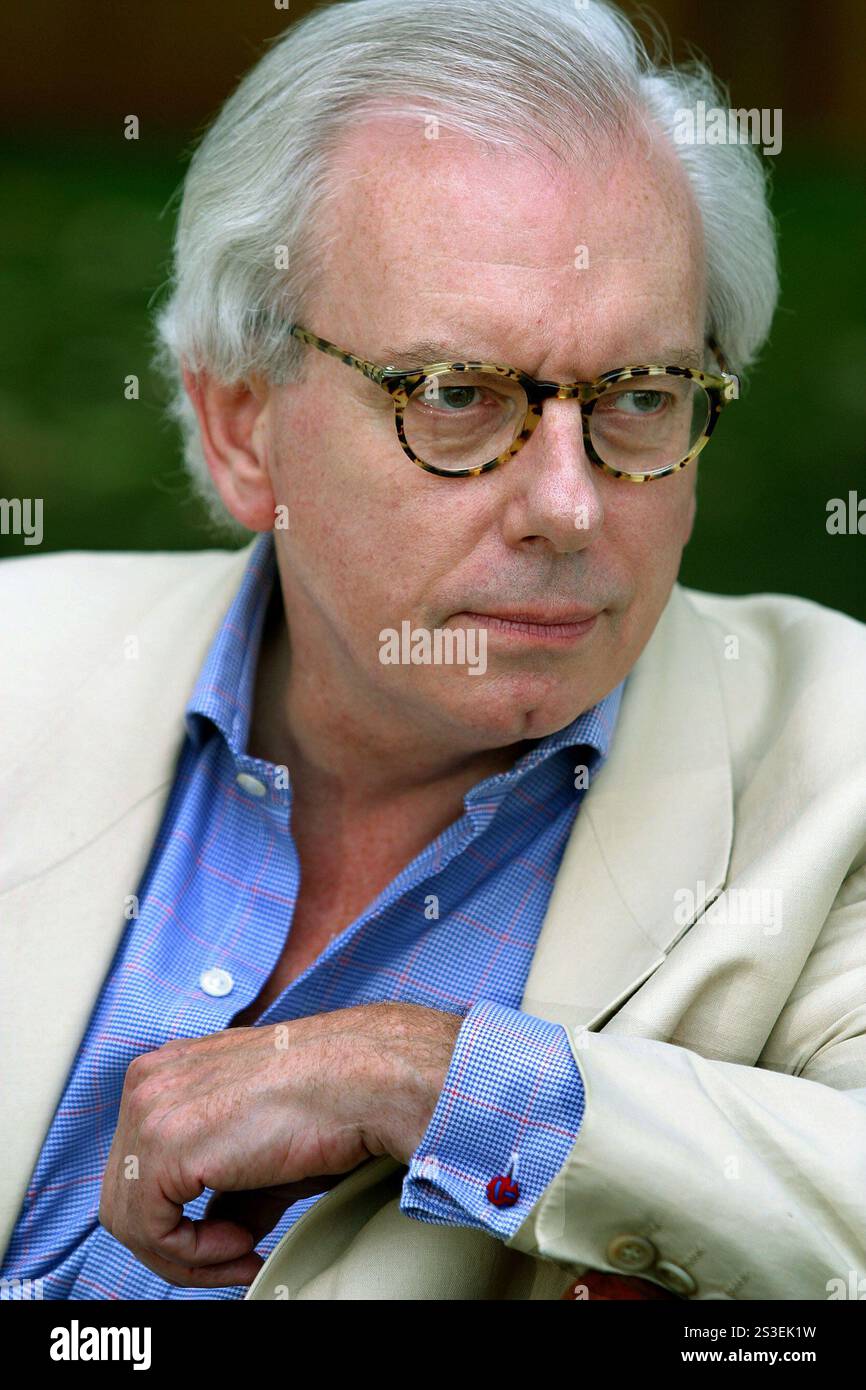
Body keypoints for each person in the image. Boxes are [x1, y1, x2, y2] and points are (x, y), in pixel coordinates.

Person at [1, 0, 864, 1302]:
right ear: (241, 425)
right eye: (454, 396)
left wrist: (433, 1079)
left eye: (639, 397)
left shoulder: (836, 762)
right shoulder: (23, 662)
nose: (569, 506)